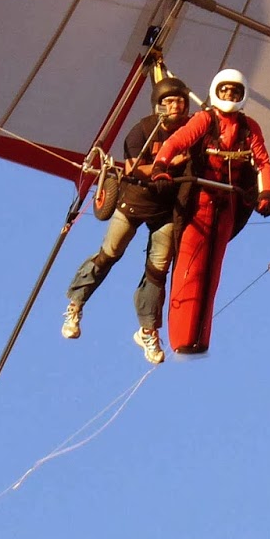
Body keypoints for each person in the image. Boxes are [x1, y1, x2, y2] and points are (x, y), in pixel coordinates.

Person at [61, 75, 195, 364]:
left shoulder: (193, 133)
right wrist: (167, 165)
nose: (175, 107)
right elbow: (133, 169)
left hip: (165, 210)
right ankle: (75, 303)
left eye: (180, 102)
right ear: (158, 106)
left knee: (158, 270)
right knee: (110, 253)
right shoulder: (144, 130)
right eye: (169, 102)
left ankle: (147, 329)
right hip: (134, 203)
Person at [149, 68, 270, 355]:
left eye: (235, 92)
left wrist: (266, 193)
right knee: (190, 267)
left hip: (227, 203)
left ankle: (199, 340)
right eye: (225, 91)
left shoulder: (249, 127)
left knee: (212, 271)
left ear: (242, 96)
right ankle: (180, 337)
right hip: (200, 199)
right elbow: (176, 142)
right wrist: (160, 166)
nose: (230, 96)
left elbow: (263, 162)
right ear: (216, 92)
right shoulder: (205, 119)